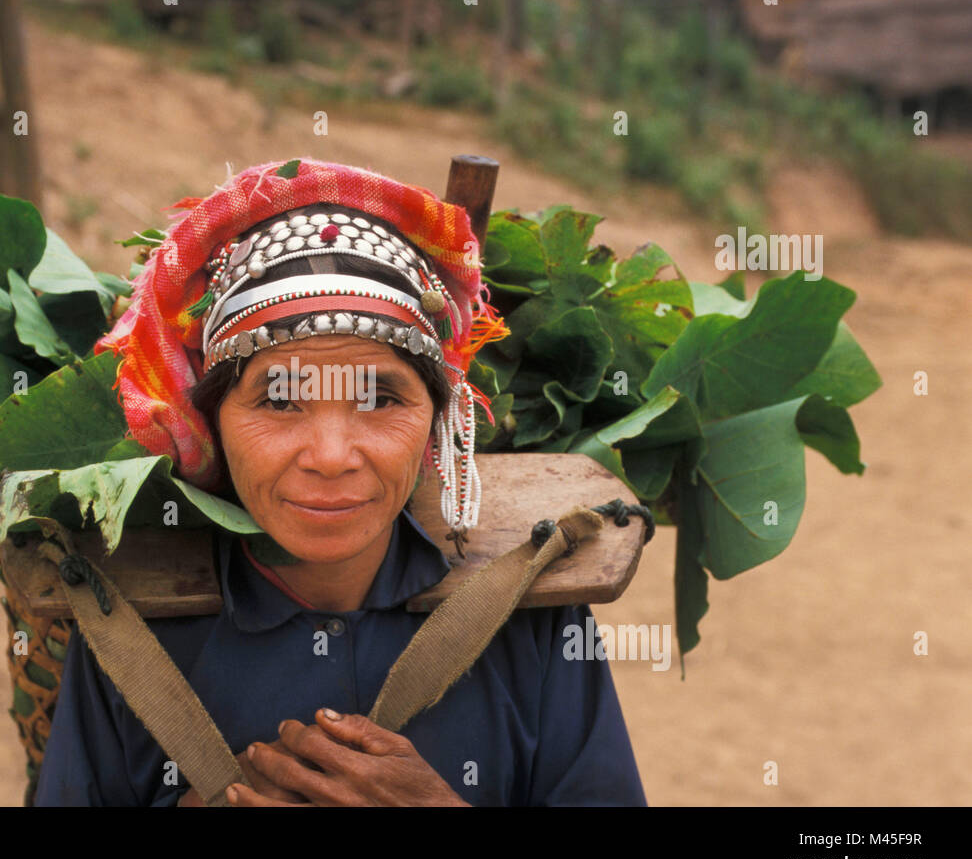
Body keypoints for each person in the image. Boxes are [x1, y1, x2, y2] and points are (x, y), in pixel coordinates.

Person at [34, 158, 647, 807]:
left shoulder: (531, 617)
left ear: (439, 418)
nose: (330, 455)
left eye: (380, 397)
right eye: (279, 399)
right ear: (210, 420)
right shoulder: (127, 621)